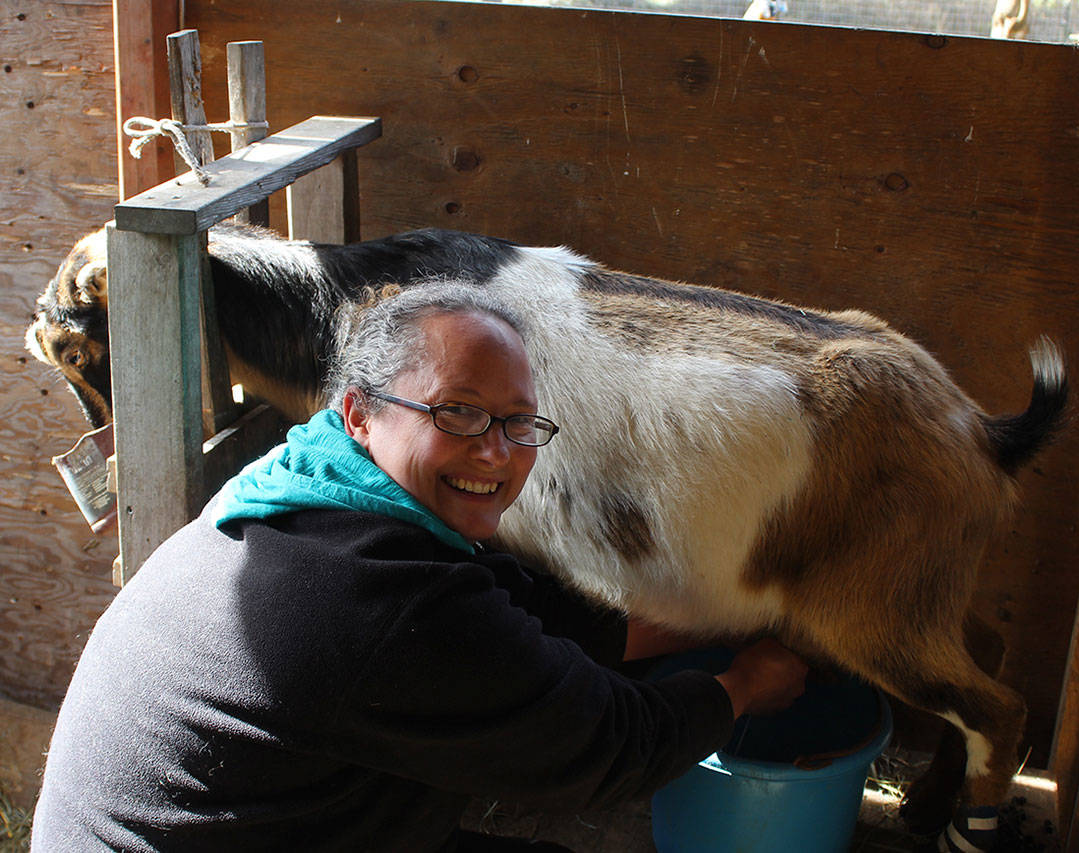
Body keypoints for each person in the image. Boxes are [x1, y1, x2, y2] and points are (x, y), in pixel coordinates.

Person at [33, 283, 810, 852]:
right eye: (458, 412)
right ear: (361, 410)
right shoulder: (377, 602)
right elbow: (610, 745)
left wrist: (726, 619)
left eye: (517, 421)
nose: (496, 452)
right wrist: (743, 687)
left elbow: (541, 618)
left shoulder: (314, 488)